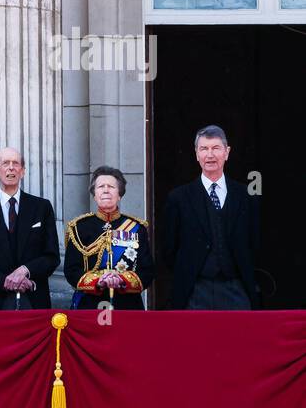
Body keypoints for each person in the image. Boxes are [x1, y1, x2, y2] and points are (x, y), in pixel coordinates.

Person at [160, 125, 259, 310]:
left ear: (227, 152)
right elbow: (169, 249)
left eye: (216, 148)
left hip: (236, 290)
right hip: (194, 291)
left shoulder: (245, 196)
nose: (210, 155)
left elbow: (254, 242)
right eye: (204, 149)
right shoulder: (178, 198)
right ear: (197, 154)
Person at [0, 147, 61, 309]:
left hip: (35, 299)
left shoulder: (42, 207)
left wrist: (25, 270)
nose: (11, 167)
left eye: (16, 163)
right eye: (5, 163)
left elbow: (52, 256)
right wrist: (6, 282)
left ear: (22, 171)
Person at [64, 166, 154, 311]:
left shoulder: (137, 228)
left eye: (111, 186)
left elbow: (147, 271)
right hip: (90, 304)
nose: (106, 190)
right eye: (101, 186)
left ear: (119, 194)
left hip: (127, 305)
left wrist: (122, 280)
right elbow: (71, 270)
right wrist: (98, 281)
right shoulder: (79, 227)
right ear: (94, 194)